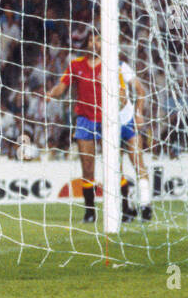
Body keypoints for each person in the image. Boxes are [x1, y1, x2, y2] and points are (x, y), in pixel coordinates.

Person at [44, 29, 152, 224]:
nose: (94, 44)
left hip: (109, 119)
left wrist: (136, 111)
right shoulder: (76, 65)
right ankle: (89, 211)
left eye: (98, 40)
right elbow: (63, 85)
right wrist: (52, 93)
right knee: (87, 165)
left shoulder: (114, 66)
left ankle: (129, 207)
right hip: (85, 119)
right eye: (91, 40)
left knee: (115, 165)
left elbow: (130, 92)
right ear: (85, 44)